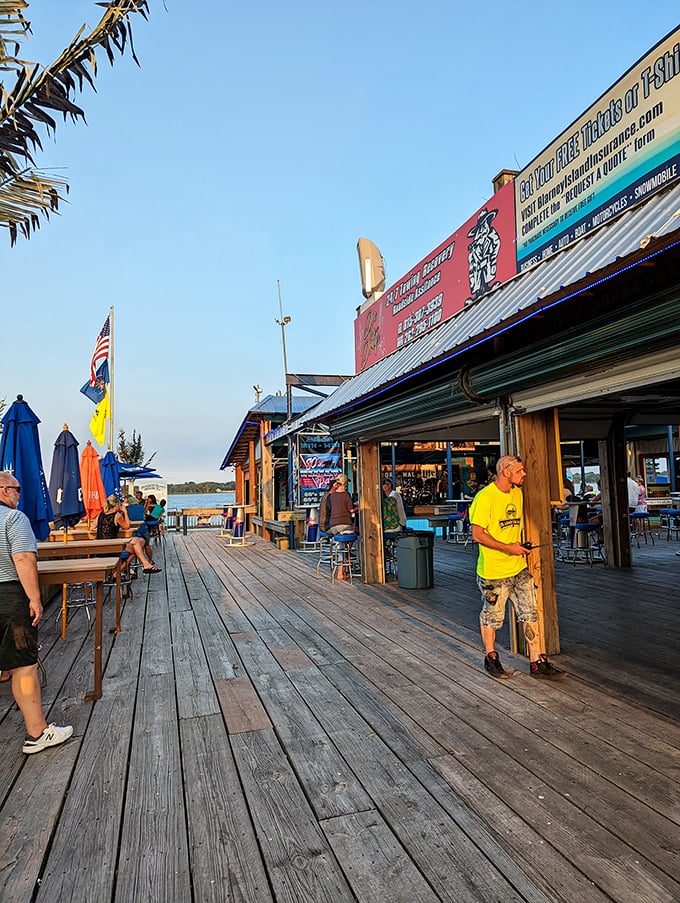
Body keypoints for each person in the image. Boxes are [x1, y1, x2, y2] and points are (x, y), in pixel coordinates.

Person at [469, 455, 566, 681]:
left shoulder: (517, 494)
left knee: (530, 612)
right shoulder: (485, 498)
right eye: (520, 471)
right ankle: (491, 657)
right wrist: (508, 548)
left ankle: (537, 662)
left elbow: (512, 528)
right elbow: (477, 534)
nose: (524, 474)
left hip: (518, 568)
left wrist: (519, 547)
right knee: (492, 616)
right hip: (493, 571)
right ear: (505, 471)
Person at [0, 471, 73, 754]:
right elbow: (23, 558)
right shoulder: (14, 519)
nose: (20, 495)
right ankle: (37, 732)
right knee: (24, 666)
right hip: (8, 597)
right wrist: (34, 598)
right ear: (5, 490)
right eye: (17, 490)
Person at [96, 496, 161, 574]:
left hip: (101, 547)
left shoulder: (101, 514)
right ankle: (117, 572)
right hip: (111, 547)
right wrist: (125, 512)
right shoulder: (117, 515)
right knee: (137, 546)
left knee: (137, 544)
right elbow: (127, 526)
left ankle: (145, 564)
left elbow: (92, 527)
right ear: (116, 504)